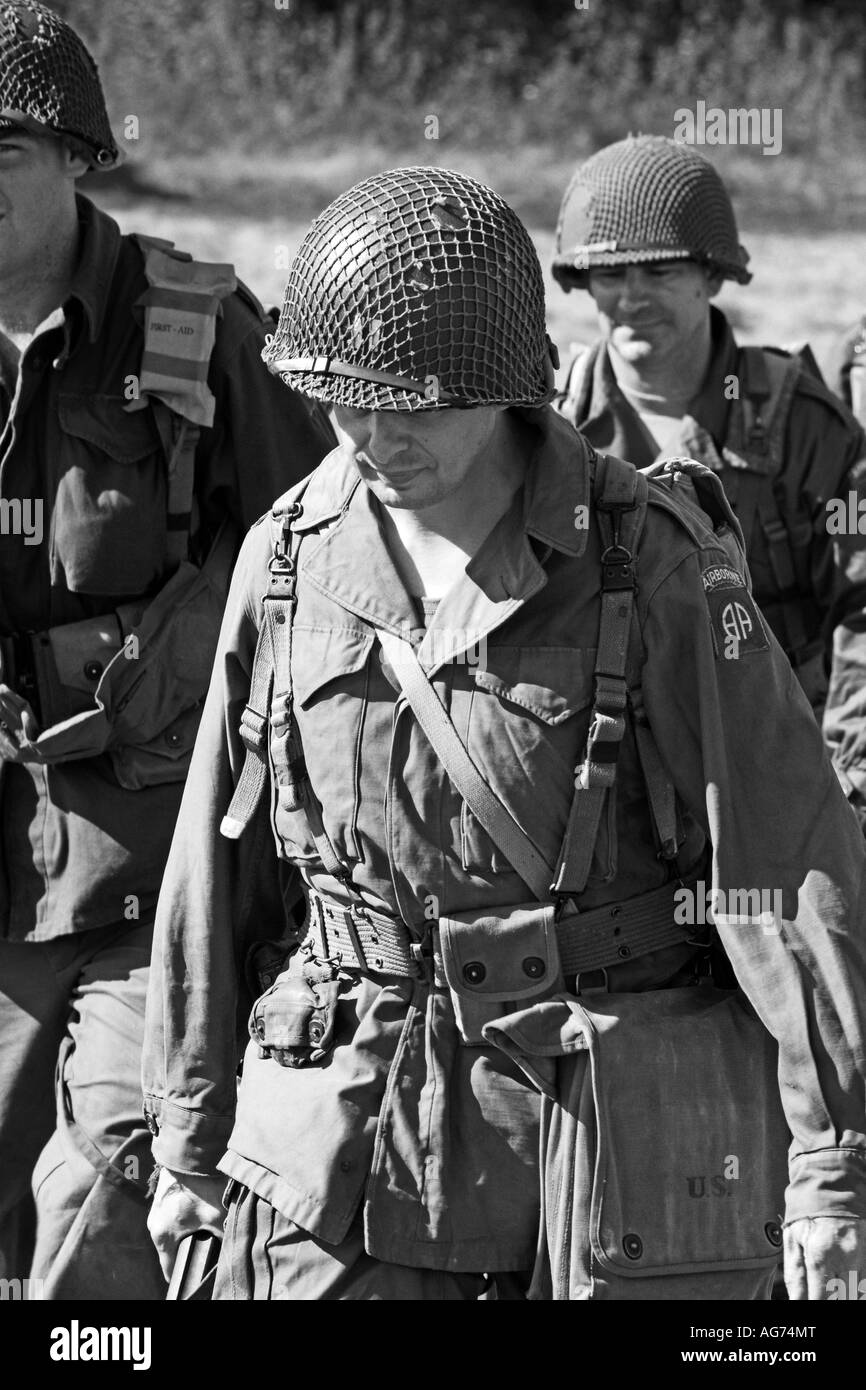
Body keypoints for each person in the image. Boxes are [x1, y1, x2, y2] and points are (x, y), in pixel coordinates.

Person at [144, 165, 866, 1301]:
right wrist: (187, 1132)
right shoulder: (288, 554)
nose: (370, 437)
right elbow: (217, 859)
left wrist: (830, 1166)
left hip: (605, 1141)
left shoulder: (656, 563)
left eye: (409, 402)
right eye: (342, 401)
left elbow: (779, 860)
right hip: (350, 1134)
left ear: (499, 387)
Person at [0, 0, 333, 1300]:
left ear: (80, 155)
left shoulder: (194, 327)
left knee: (110, 1189)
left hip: (162, 864)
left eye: (2, 151)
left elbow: (322, 571)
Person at [551, 134, 866, 827]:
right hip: (616, 794)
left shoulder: (800, 424)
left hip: (785, 767)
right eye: (610, 276)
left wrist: (850, 781)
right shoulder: (557, 429)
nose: (631, 298)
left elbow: (861, 609)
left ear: (711, 276)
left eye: (659, 272)